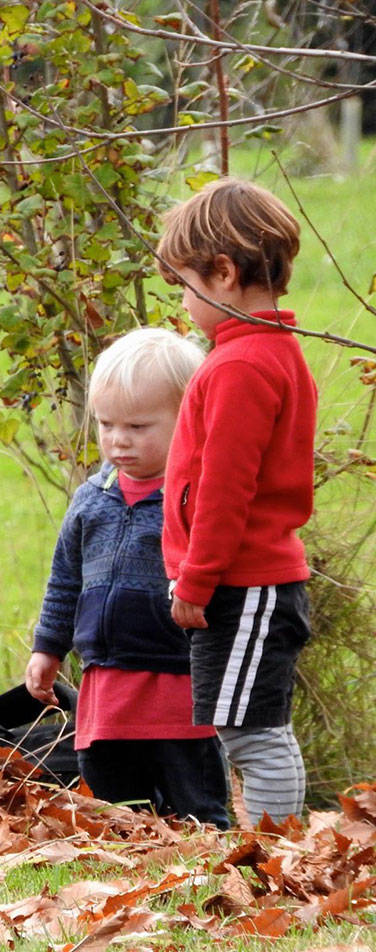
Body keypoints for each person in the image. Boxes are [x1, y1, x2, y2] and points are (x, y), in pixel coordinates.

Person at [155, 178, 316, 825]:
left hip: (242, 582)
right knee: (248, 729)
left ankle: (273, 862)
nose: (185, 304)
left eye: (186, 286)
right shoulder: (264, 353)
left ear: (222, 273)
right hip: (246, 581)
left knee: (251, 733)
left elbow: (225, 489)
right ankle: (276, 852)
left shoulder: (241, 366)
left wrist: (195, 580)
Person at [25, 329, 228, 828]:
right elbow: (65, 581)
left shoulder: (198, 498)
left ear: (190, 419)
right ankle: (132, 870)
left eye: (137, 425)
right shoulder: (91, 499)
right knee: (117, 798)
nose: (118, 439)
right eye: (106, 424)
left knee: (194, 797)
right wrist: (47, 648)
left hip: (179, 678)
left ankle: (215, 864)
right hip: (107, 683)